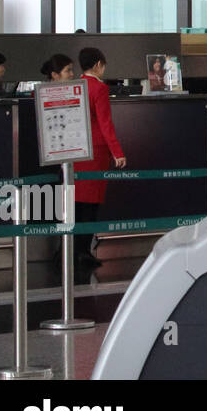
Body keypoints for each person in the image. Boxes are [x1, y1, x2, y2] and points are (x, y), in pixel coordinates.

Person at [73, 48, 128, 268]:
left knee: (76, 204)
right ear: (97, 64)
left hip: (76, 151)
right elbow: (105, 124)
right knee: (91, 205)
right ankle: (84, 252)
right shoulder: (99, 88)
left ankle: (72, 251)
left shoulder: (75, 86)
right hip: (95, 153)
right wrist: (118, 152)